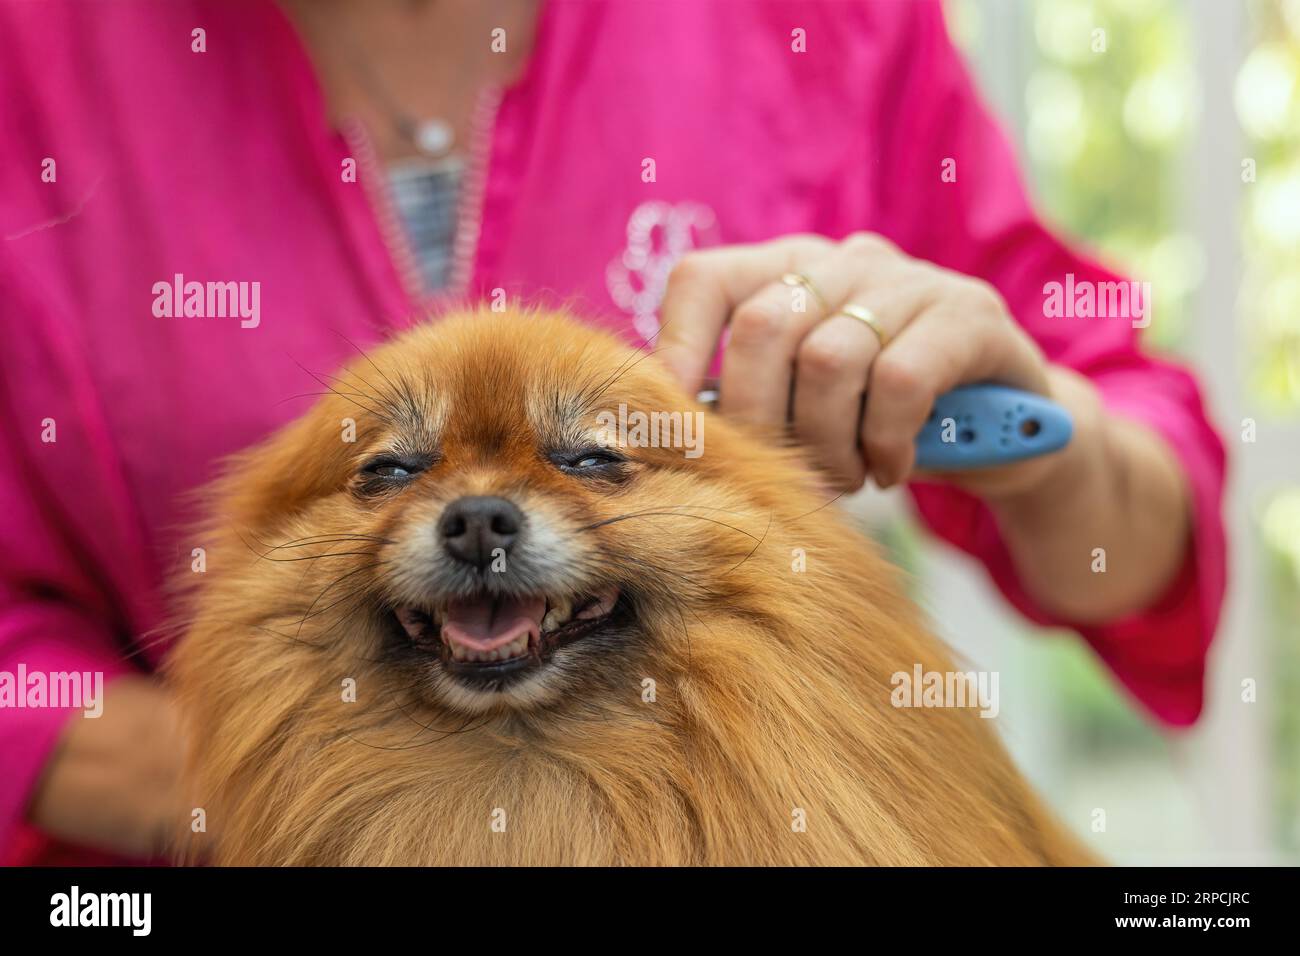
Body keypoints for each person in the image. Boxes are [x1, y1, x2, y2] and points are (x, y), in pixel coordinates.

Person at [0, 0, 1226, 864]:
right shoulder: (31, 62)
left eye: (592, 460)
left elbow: (1148, 520)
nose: (478, 512)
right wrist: (290, 787)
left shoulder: (820, 24)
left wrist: (1049, 438)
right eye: (390, 471)